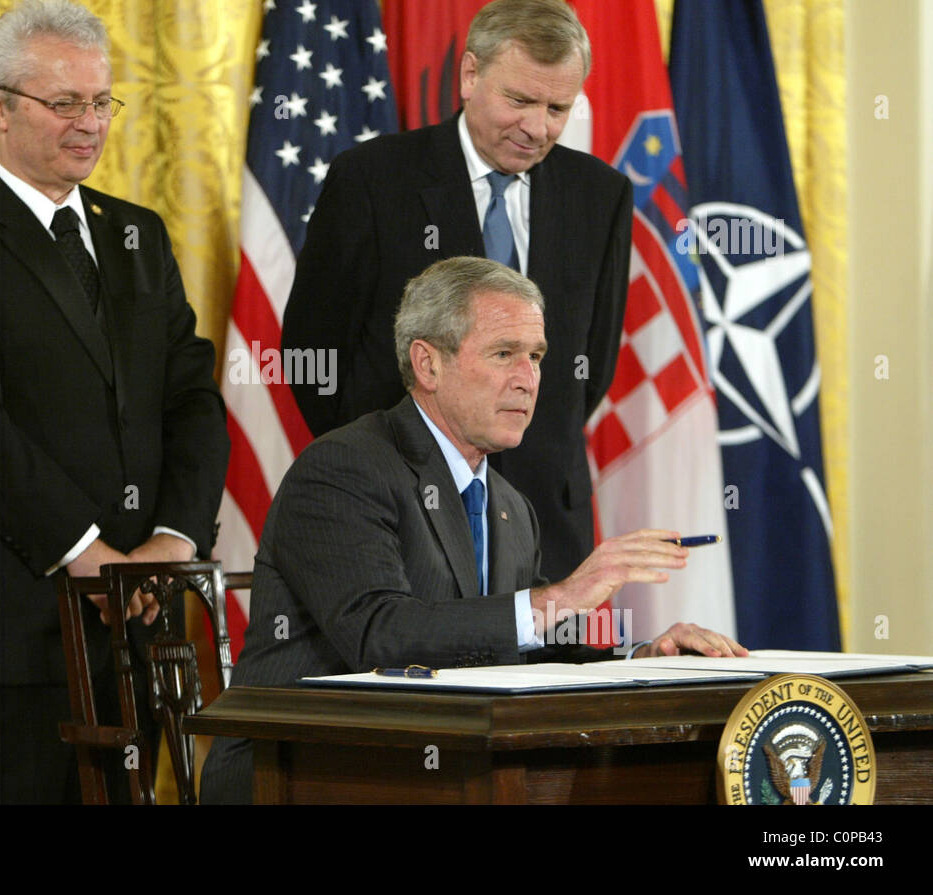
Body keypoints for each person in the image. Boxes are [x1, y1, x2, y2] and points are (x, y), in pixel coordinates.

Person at [201, 258, 745, 803]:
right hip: (300, 770)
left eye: (535, 357)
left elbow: (522, 650)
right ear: (428, 364)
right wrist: (553, 598)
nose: (527, 378)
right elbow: (378, 635)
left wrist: (641, 659)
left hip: (445, 769)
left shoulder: (509, 505)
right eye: (504, 353)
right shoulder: (344, 468)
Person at [0, 0, 229, 804]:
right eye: (64, 102)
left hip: (141, 613)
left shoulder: (137, 232)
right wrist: (86, 552)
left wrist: (171, 541)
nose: (90, 123)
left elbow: (193, 399)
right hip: (13, 626)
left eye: (102, 100)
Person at [282, 0, 631, 586]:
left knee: (560, 680)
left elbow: (587, 367)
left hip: (548, 514)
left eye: (557, 108)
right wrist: (387, 464)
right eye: (518, 100)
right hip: (400, 513)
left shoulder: (600, 195)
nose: (536, 127)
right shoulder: (372, 180)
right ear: (470, 74)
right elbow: (312, 352)